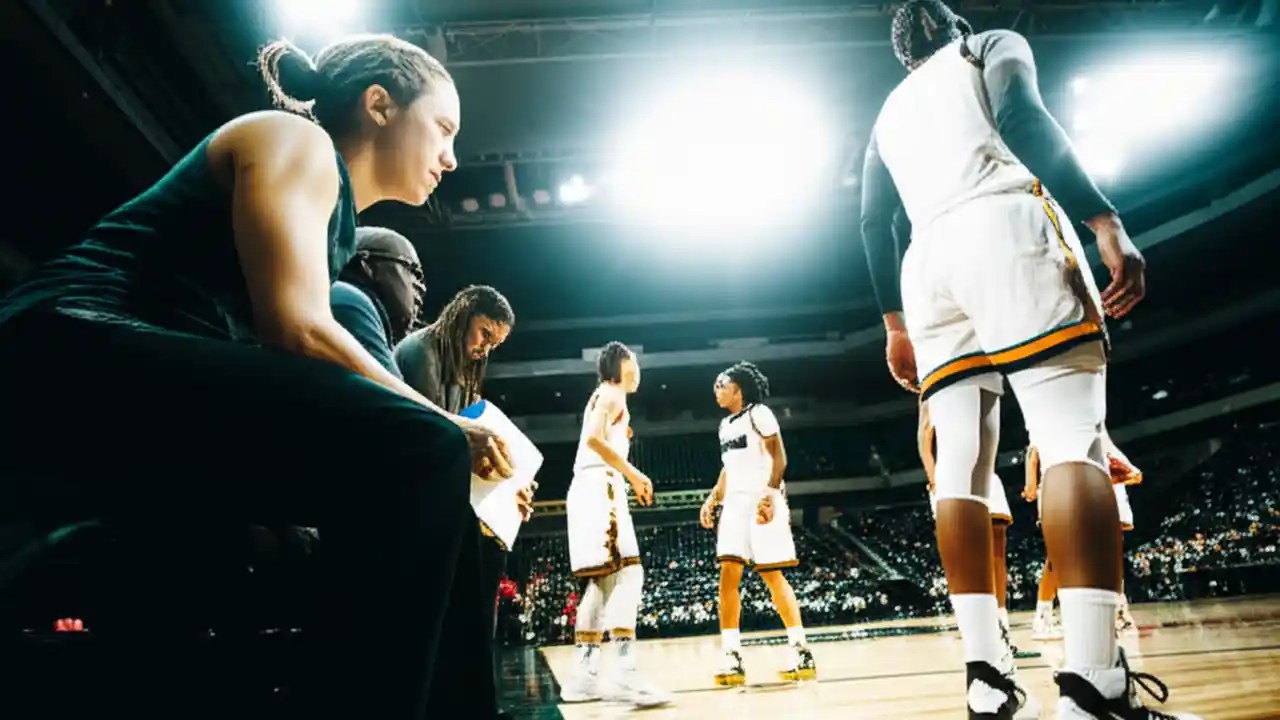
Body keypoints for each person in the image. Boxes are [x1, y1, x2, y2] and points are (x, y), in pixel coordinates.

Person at [0, 33, 513, 719]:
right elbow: (294, 327)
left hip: (107, 371)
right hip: (61, 344)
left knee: (422, 472)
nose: (451, 157)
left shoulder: (333, 222)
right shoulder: (295, 143)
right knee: (424, 448)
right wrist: (444, 423)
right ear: (380, 105)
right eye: (444, 128)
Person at [860, 2, 1194, 718]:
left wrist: (894, 323)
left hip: (928, 267)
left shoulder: (887, 113)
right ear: (952, 27)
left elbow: (869, 221)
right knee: (1070, 440)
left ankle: (985, 678)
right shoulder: (987, 47)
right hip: (1003, 222)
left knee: (959, 467)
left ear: (900, 54)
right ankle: (1093, 684)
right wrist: (1104, 217)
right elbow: (1023, 120)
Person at [393, 284, 520, 718]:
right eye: (484, 334)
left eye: (494, 344)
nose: (484, 349)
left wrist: (510, 485)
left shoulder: (462, 371)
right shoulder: (421, 351)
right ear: (463, 312)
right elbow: (434, 435)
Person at [559, 342, 670, 708]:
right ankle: (624, 671)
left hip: (587, 487)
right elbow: (593, 438)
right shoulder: (612, 393)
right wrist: (635, 474)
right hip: (600, 484)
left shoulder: (602, 395)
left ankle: (584, 676)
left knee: (603, 582)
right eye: (634, 362)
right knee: (629, 575)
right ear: (619, 364)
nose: (638, 368)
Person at [699, 361, 816, 687]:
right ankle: (732, 655)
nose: (716, 389)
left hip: (761, 500)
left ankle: (800, 648)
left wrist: (769, 494)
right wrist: (712, 499)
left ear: (738, 389)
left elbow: (779, 457)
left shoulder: (759, 413)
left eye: (721, 384)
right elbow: (728, 469)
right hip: (734, 505)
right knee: (727, 576)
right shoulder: (724, 425)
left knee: (771, 574)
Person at [1025, 428, 1144, 638]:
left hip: (1098, 475)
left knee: (1109, 550)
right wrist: (1031, 484)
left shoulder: (1090, 418)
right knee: (1060, 554)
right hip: (1065, 480)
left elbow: (1104, 441)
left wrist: (1127, 468)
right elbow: (1033, 452)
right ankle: (1044, 617)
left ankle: (1118, 613)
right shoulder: (1048, 415)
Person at [331, 226, 425, 375]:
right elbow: (392, 396)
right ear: (367, 267)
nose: (421, 287)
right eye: (412, 270)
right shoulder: (349, 303)